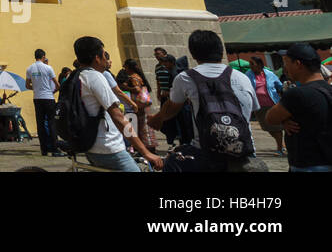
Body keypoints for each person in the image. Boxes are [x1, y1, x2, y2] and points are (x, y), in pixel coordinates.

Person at [150, 29, 264, 172]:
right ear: (221, 51)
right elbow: (252, 110)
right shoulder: (242, 77)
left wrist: (158, 118)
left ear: (193, 53)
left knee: (172, 162)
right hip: (245, 153)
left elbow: (171, 108)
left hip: (206, 154)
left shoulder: (186, 78)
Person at [72, 36, 163, 171]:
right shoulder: (95, 77)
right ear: (97, 58)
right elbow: (118, 118)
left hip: (90, 145)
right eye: (104, 54)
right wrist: (146, 152)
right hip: (109, 147)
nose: (106, 59)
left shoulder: (77, 76)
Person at [264, 43, 332, 172]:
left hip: (308, 165)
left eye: (287, 62)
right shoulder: (329, 89)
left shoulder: (297, 94)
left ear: (298, 64)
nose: (285, 68)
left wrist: (284, 119)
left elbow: (270, 118)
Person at [247, 54, 285, 155]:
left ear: (259, 65)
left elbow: (279, 86)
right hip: (259, 106)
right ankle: (282, 145)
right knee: (267, 127)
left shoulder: (269, 74)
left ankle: (280, 149)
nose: (250, 65)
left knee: (276, 127)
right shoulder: (248, 74)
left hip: (272, 104)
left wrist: (284, 89)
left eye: (252, 63)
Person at [26, 48, 61, 156]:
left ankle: (44, 149)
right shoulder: (48, 68)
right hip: (48, 97)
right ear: (44, 57)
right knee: (51, 123)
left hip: (37, 98)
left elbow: (27, 85)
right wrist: (53, 91)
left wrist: (36, 88)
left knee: (40, 124)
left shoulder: (29, 69)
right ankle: (55, 149)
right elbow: (58, 84)